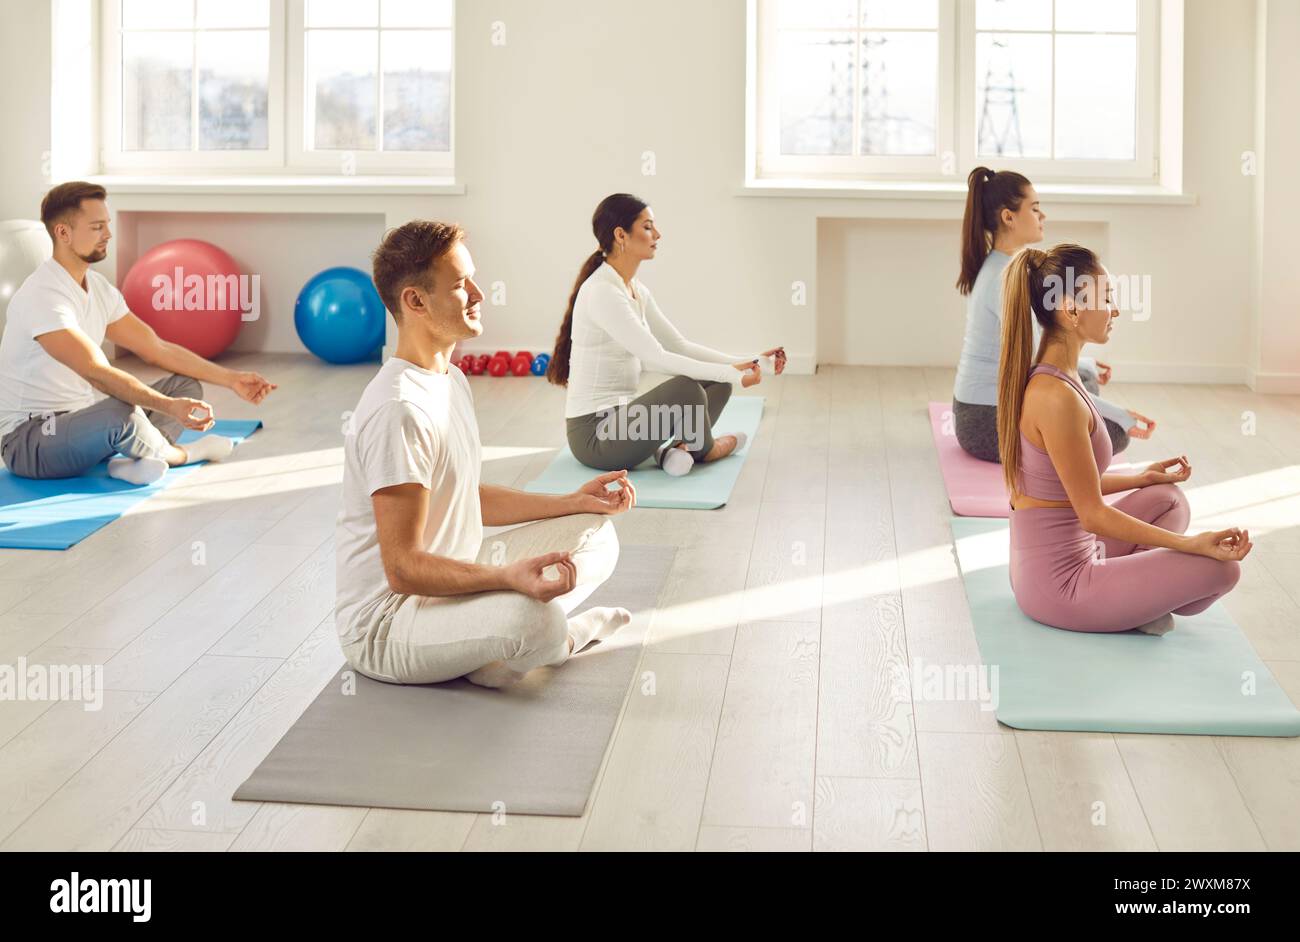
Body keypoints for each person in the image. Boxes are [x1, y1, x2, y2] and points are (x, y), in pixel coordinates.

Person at [336, 220, 637, 688]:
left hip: (451, 578)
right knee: (531, 621)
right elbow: (402, 569)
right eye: (460, 285)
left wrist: (572, 502)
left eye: (472, 278)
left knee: (598, 535)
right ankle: (557, 640)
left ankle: (486, 651)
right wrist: (504, 577)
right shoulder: (398, 409)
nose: (478, 293)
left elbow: (462, 497)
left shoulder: (449, 379)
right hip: (388, 625)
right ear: (415, 301)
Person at [998, 243, 1248, 635]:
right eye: (1107, 298)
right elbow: (1092, 513)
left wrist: (1140, 478)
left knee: (1167, 499)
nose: (1115, 310)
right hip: (1060, 586)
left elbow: (1068, 486)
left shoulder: (1061, 377)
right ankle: (1134, 602)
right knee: (1223, 570)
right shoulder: (1054, 397)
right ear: (1072, 309)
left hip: (1076, 554)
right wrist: (1191, 545)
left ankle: (1134, 598)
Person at [0, 181, 276, 485]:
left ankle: (140, 457)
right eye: (96, 227)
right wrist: (168, 407)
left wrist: (230, 379)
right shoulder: (44, 297)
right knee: (121, 411)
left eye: (107, 224)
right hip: (34, 439)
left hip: (83, 425)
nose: (108, 233)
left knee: (182, 385)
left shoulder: (99, 289)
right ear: (63, 233)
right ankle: (184, 454)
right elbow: (97, 373)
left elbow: (156, 348)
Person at [548, 193, 786, 477]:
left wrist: (750, 361)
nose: (657, 234)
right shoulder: (603, 292)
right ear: (621, 235)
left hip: (626, 421)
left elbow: (678, 345)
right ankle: (707, 449)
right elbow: (655, 358)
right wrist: (733, 373)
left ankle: (680, 449)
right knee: (687, 388)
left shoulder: (633, 288)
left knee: (717, 382)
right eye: (648, 227)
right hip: (596, 436)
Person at [953, 166, 1152, 462]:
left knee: (1084, 377)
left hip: (980, 408)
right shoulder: (1002, 278)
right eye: (1034, 209)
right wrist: (1117, 413)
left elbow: (1038, 357)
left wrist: (1083, 363)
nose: (1042, 216)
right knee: (1114, 434)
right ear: (1009, 217)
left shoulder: (1006, 265)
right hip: (984, 419)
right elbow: (1038, 369)